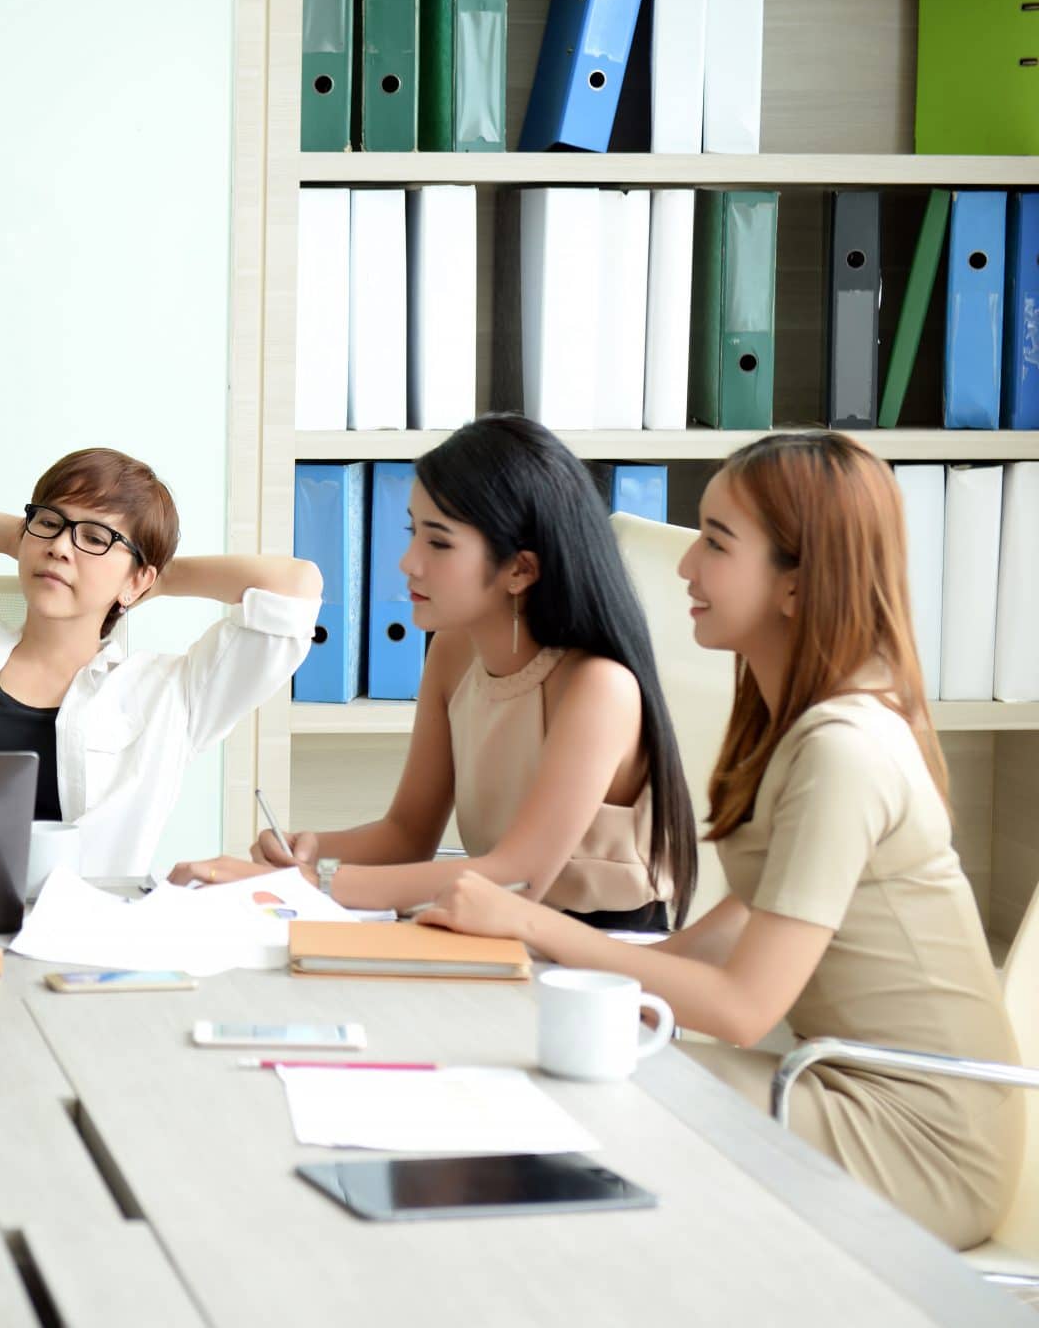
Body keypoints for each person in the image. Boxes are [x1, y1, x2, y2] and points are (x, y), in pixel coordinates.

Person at [419, 432, 1023, 1249]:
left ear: (796, 584)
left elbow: (744, 1007)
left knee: (583, 1112)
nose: (684, 568)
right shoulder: (796, 720)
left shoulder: (843, 750)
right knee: (559, 1074)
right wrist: (579, 977)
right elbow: (747, 913)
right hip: (842, 1087)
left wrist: (532, 925)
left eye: (715, 542)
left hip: (919, 1140)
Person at [171, 416, 698, 931]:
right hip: (488, 927)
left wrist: (310, 884)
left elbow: (519, 878)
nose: (407, 562)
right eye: (413, 531)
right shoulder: (452, 651)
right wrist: (306, 851)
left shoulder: (598, 686)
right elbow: (406, 834)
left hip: (605, 947)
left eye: (439, 543)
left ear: (520, 569)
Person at [0, 449, 321, 880]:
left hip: (73, 946)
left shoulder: (171, 695)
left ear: (137, 580)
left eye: (96, 537)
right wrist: (18, 537)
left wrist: (152, 579)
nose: (61, 546)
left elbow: (295, 586)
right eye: (51, 522)